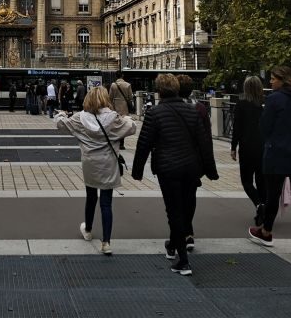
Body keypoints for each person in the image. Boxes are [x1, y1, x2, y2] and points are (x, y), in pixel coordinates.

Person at [132, 73, 218, 276]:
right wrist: (210, 170)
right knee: (184, 208)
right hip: (190, 167)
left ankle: (183, 261)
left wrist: (137, 171)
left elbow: (144, 143)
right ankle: (172, 244)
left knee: (174, 211)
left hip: (168, 168)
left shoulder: (155, 112)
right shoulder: (192, 111)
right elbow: (204, 143)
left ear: (159, 91)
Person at [248, 66, 291, 263]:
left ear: (283, 80)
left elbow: (264, 127)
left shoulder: (275, 99)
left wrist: (272, 139)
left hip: (279, 150)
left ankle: (267, 231)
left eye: (273, 78)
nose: (270, 82)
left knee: (273, 194)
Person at [55, 86, 136, 256]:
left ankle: (88, 229)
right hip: (108, 164)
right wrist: (127, 118)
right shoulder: (114, 118)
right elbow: (131, 127)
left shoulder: (80, 118)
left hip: (90, 163)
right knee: (106, 203)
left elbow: (61, 124)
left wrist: (61, 114)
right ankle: (106, 242)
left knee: (91, 197)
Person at [177, 74, 209, 251]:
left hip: (174, 159)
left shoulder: (169, 107)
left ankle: (179, 233)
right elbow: (206, 138)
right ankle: (188, 231)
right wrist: (207, 163)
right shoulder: (200, 108)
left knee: (175, 198)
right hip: (194, 160)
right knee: (190, 196)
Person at [230, 75, 265, 226]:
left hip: (247, 146)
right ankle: (263, 206)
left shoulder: (241, 104)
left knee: (246, 181)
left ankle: (258, 204)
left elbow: (236, 127)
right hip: (263, 146)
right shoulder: (264, 104)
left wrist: (233, 147)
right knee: (262, 181)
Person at [108, 71, 133, 149]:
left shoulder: (113, 85)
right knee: (124, 125)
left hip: (115, 107)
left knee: (116, 125)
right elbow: (130, 97)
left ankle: (116, 142)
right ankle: (122, 143)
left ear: (116, 76)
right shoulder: (128, 85)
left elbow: (110, 97)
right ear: (122, 75)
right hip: (124, 107)